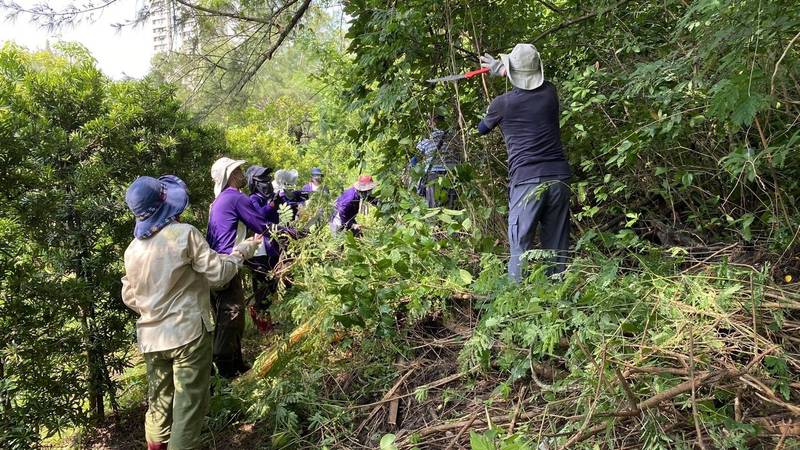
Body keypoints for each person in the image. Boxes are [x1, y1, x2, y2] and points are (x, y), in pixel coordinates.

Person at [121, 175, 261, 450]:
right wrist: (240, 253)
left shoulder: (132, 250)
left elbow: (130, 295)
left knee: (159, 405)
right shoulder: (184, 234)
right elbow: (219, 275)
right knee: (188, 408)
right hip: (187, 335)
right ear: (169, 205)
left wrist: (154, 303)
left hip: (151, 338)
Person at [478, 44, 572, 281]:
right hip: (559, 178)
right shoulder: (550, 93)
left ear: (512, 72)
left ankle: (515, 300)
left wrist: (500, 70)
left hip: (527, 180)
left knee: (520, 244)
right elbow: (533, 85)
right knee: (557, 247)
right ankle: (557, 295)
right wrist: (503, 69)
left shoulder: (502, 104)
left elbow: (482, 129)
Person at [207, 157, 273, 378]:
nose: (243, 173)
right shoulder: (235, 198)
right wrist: (293, 234)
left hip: (216, 264)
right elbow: (262, 226)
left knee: (230, 315)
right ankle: (226, 373)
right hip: (227, 265)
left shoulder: (220, 201)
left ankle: (237, 364)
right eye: (239, 170)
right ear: (231, 176)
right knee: (231, 316)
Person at [244, 165, 282, 334]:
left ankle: (266, 321)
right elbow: (260, 218)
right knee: (262, 285)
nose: (267, 183)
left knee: (272, 283)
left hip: (272, 246)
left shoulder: (268, 197)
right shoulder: (252, 198)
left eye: (268, 179)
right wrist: (272, 205)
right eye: (263, 180)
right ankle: (262, 323)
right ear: (254, 182)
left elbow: (276, 219)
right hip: (259, 249)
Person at [415, 114, 462, 208]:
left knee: (433, 209)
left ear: (431, 124)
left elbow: (415, 160)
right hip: (451, 175)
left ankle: (435, 222)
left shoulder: (426, 140)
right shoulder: (454, 138)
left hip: (433, 176)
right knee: (451, 207)